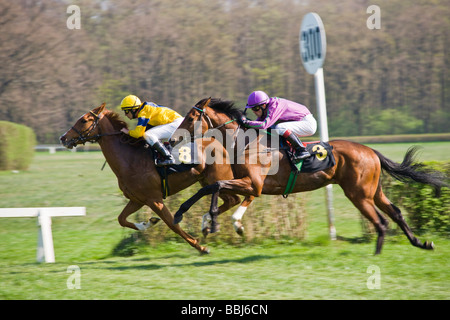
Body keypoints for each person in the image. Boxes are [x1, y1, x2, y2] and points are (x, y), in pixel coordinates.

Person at [240, 90, 317, 160]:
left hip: (307, 123)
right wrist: (246, 123)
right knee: (273, 128)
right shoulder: (267, 108)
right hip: (298, 123)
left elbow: (263, 125)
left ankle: (302, 150)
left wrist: (246, 122)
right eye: (252, 109)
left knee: (279, 127)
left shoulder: (274, 106)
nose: (254, 111)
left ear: (263, 105)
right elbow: (257, 125)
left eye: (256, 108)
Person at [119, 94, 183, 166]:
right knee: (149, 135)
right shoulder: (145, 109)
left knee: (148, 135)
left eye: (126, 111)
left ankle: (169, 158)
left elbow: (138, 133)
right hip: (176, 123)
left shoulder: (143, 112)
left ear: (133, 109)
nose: (125, 114)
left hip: (176, 124)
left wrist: (128, 132)